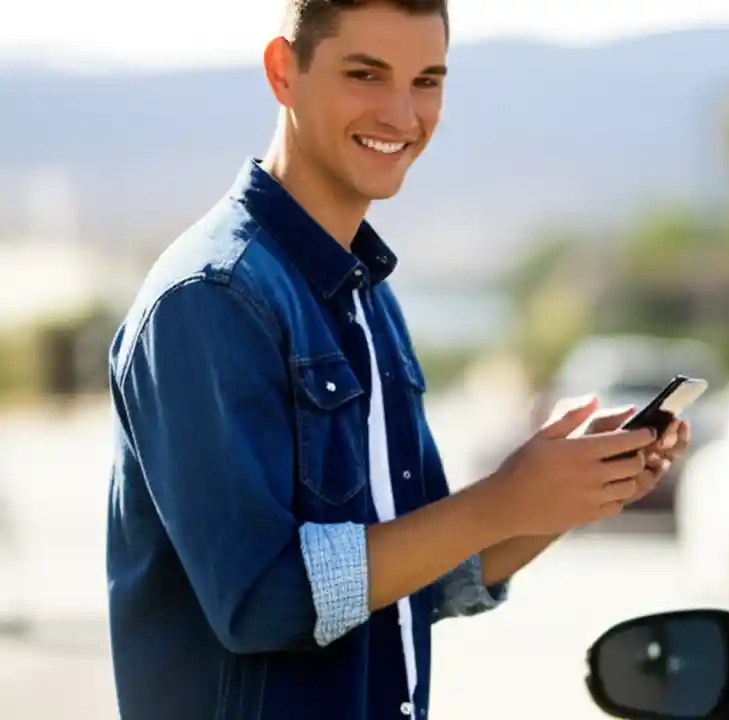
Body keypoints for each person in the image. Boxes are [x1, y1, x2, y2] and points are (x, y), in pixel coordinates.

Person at [103, 2, 691, 718]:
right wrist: (502, 498)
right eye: (366, 75)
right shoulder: (214, 299)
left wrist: (566, 495)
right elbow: (263, 600)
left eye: (426, 81)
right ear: (283, 72)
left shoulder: (366, 297)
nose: (402, 115)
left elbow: (427, 575)